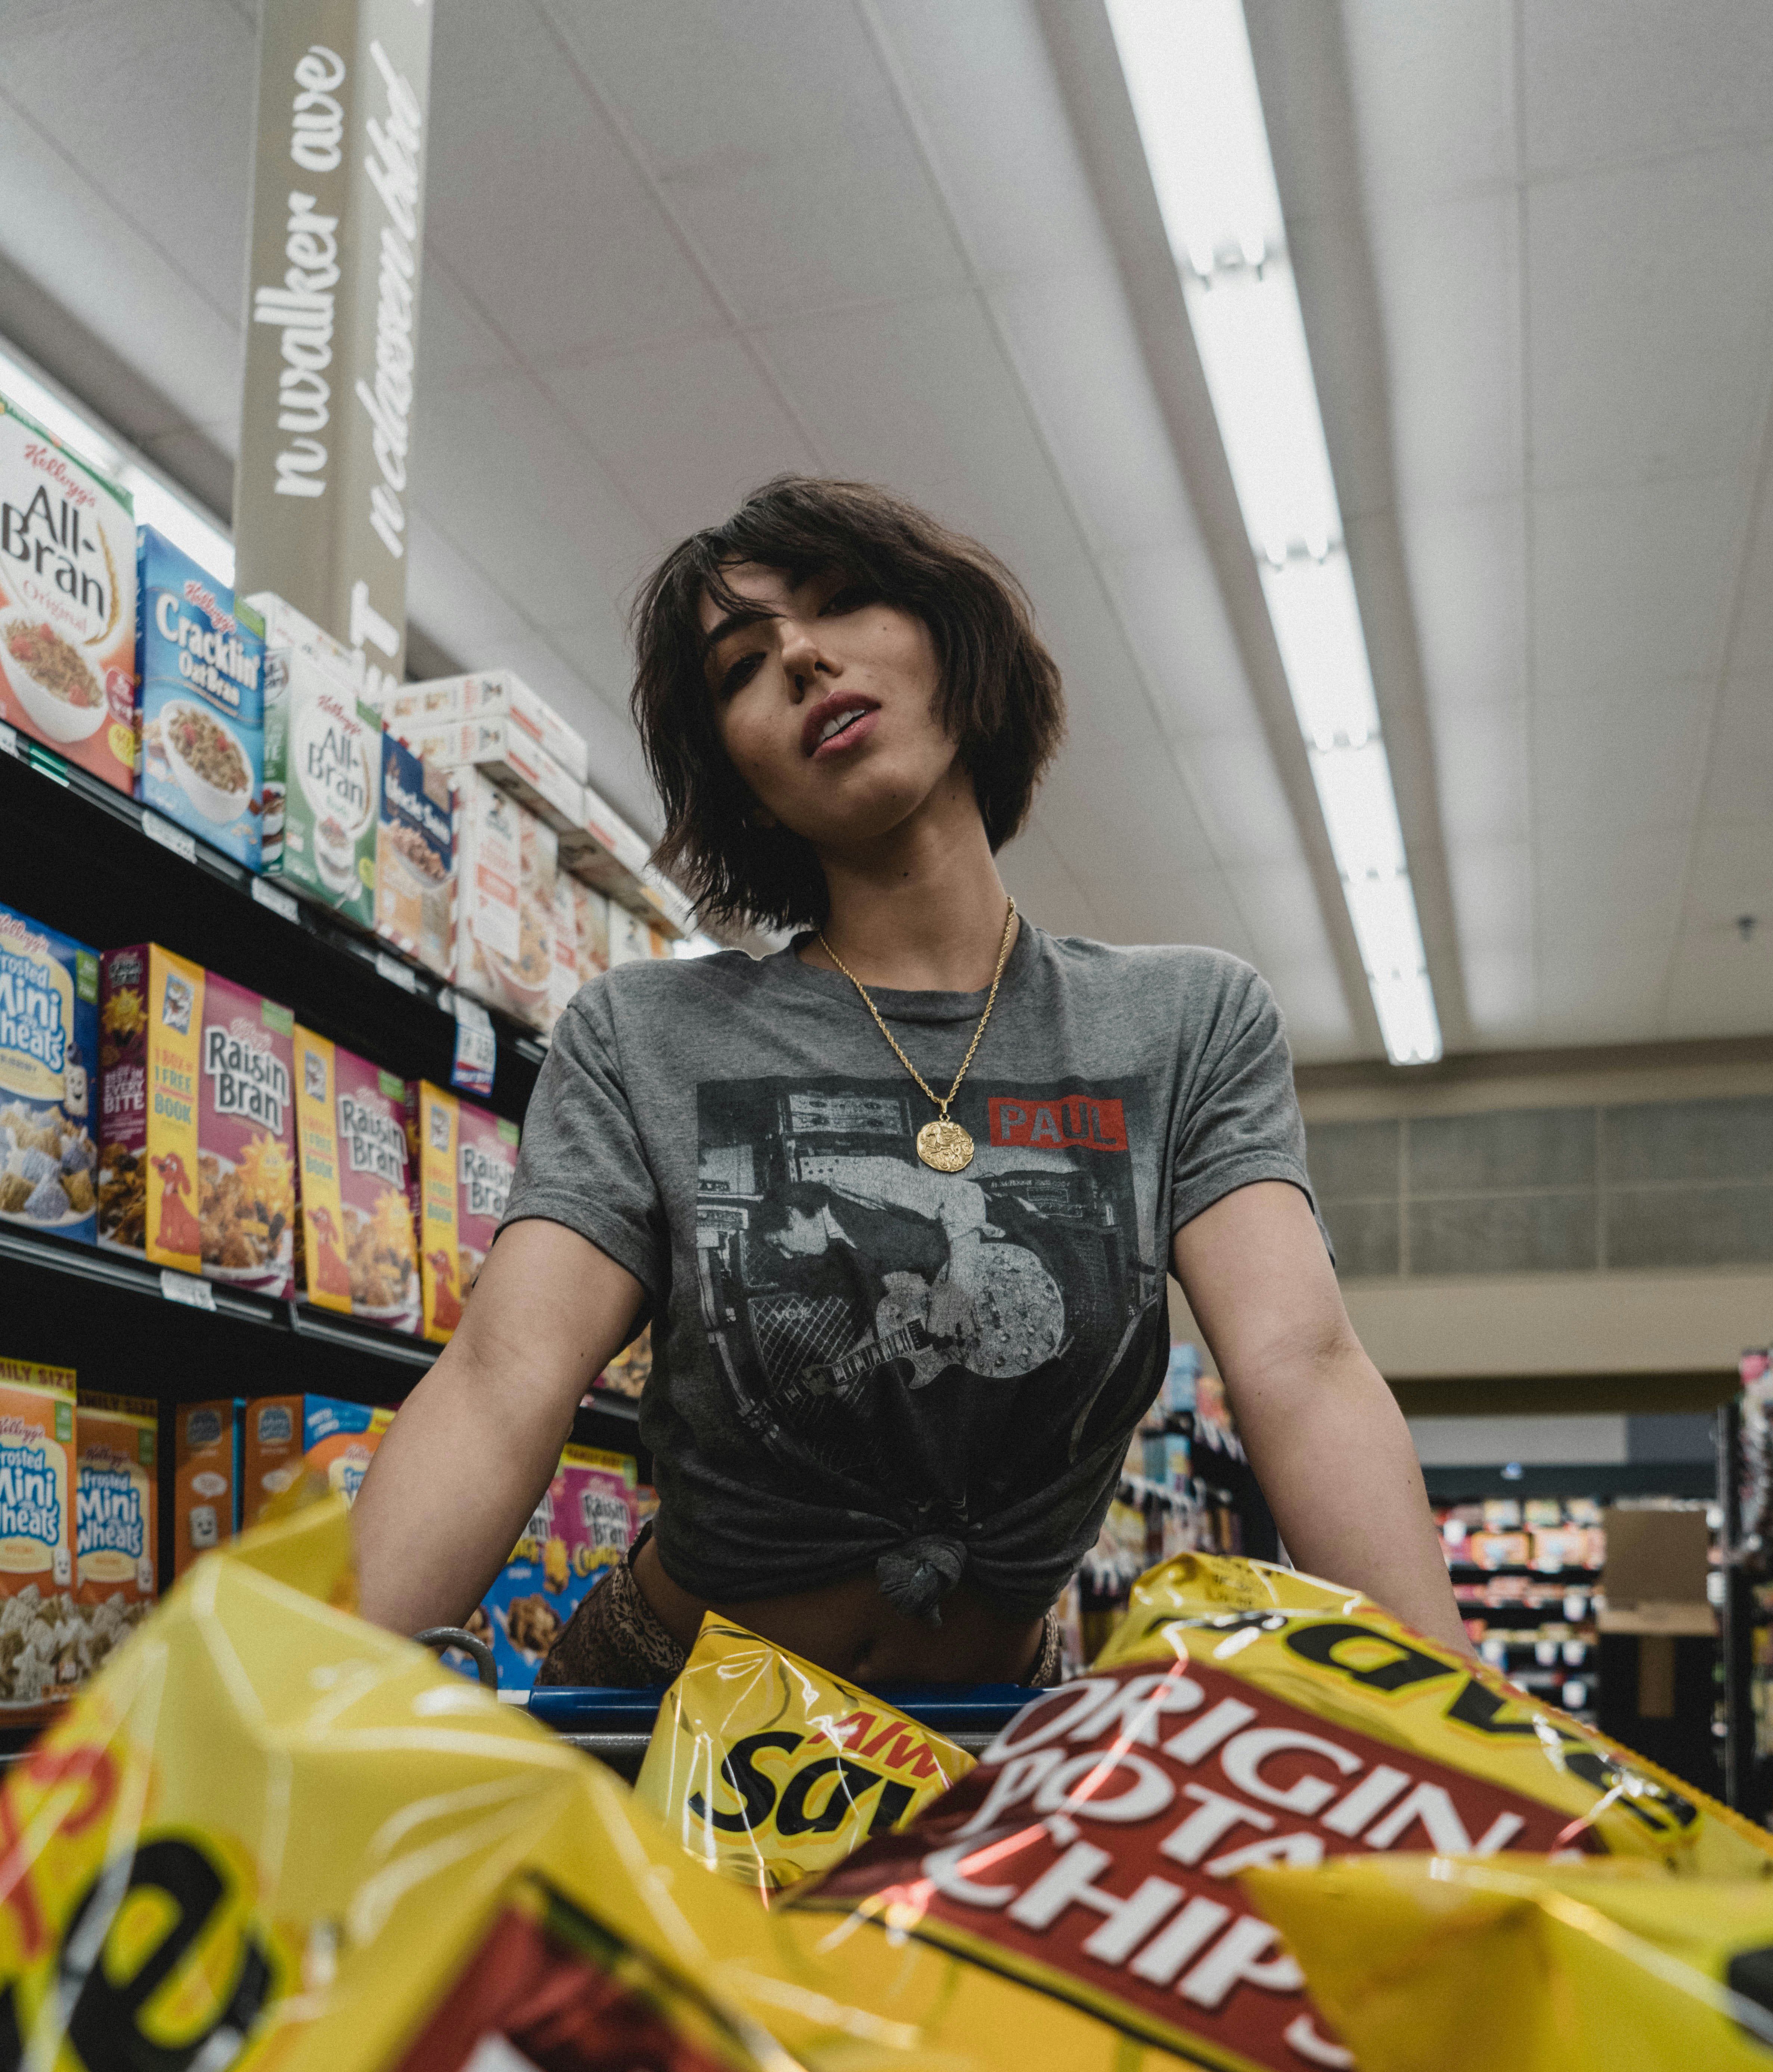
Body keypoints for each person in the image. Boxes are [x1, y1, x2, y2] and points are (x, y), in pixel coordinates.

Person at [354, 476, 1470, 1685]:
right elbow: (500, 1383)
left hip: (989, 1761)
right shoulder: (644, 1035)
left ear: (953, 636)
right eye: (740, 667)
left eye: (843, 602)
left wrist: (1466, 1731)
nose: (801, 657)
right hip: (662, 1732)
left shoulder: (1187, 1023)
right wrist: (293, 1712)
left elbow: (1300, 1370)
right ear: (735, 770)